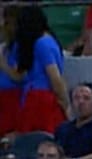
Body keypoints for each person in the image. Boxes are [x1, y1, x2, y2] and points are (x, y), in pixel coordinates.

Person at [0, 4, 69, 139]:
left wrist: (65, 103)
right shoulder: (44, 41)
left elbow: (54, 77)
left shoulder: (42, 43)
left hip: (40, 99)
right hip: (37, 97)